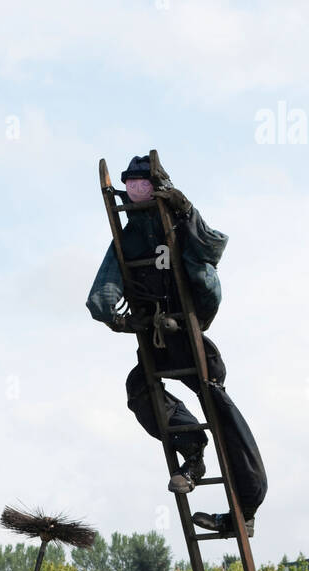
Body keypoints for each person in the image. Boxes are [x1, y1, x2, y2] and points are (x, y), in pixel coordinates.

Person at [87, 155, 266, 538]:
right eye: (130, 186)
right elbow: (103, 290)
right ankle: (193, 452)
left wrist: (186, 211)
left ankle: (245, 507)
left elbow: (211, 256)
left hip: (188, 340)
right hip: (154, 342)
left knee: (217, 405)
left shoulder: (182, 224)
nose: (137, 193)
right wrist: (122, 319)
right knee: (141, 390)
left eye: (144, 185)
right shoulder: (128, 236)